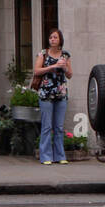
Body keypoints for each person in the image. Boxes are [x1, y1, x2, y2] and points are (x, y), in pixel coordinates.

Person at [35, 29, 72, 164]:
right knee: (46, 126)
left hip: (60, 93)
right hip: (46, 93)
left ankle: (60, 156)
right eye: (51, 37)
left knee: (59, 127)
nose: (53, 40)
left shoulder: (65, 55)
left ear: (60, 40)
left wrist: (64, 67)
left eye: (55, 37)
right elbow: (36, 71)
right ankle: (45, 156)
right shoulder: (43, 54)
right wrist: (53, 66)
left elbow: (70, 75)